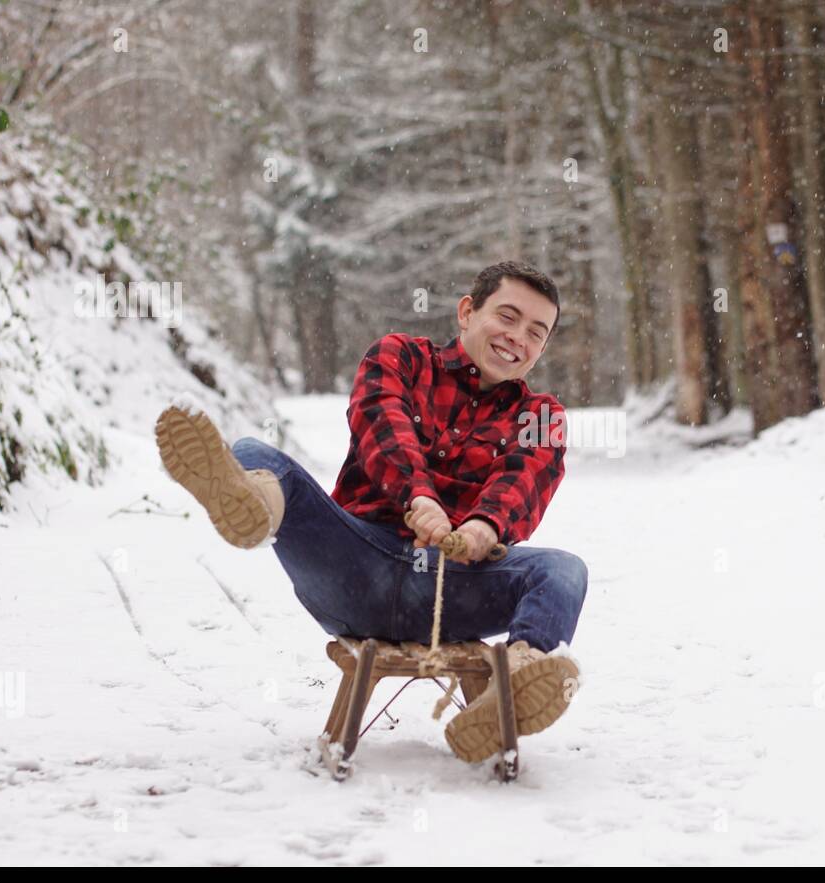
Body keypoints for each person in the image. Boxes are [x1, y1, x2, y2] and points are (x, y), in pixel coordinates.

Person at [153, 261, 587, 764]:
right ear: (467, 312)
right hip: (354, 566)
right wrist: (418, 497)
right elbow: (382, 424)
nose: (518, 338)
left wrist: (483, 526)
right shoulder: (398, 356)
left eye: (536, 332)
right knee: (256, 453)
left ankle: (511, 689)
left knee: (563, 569)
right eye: (507, 317)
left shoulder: (541, 415)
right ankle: (252, 508)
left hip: (453, 585)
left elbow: (527, 478)